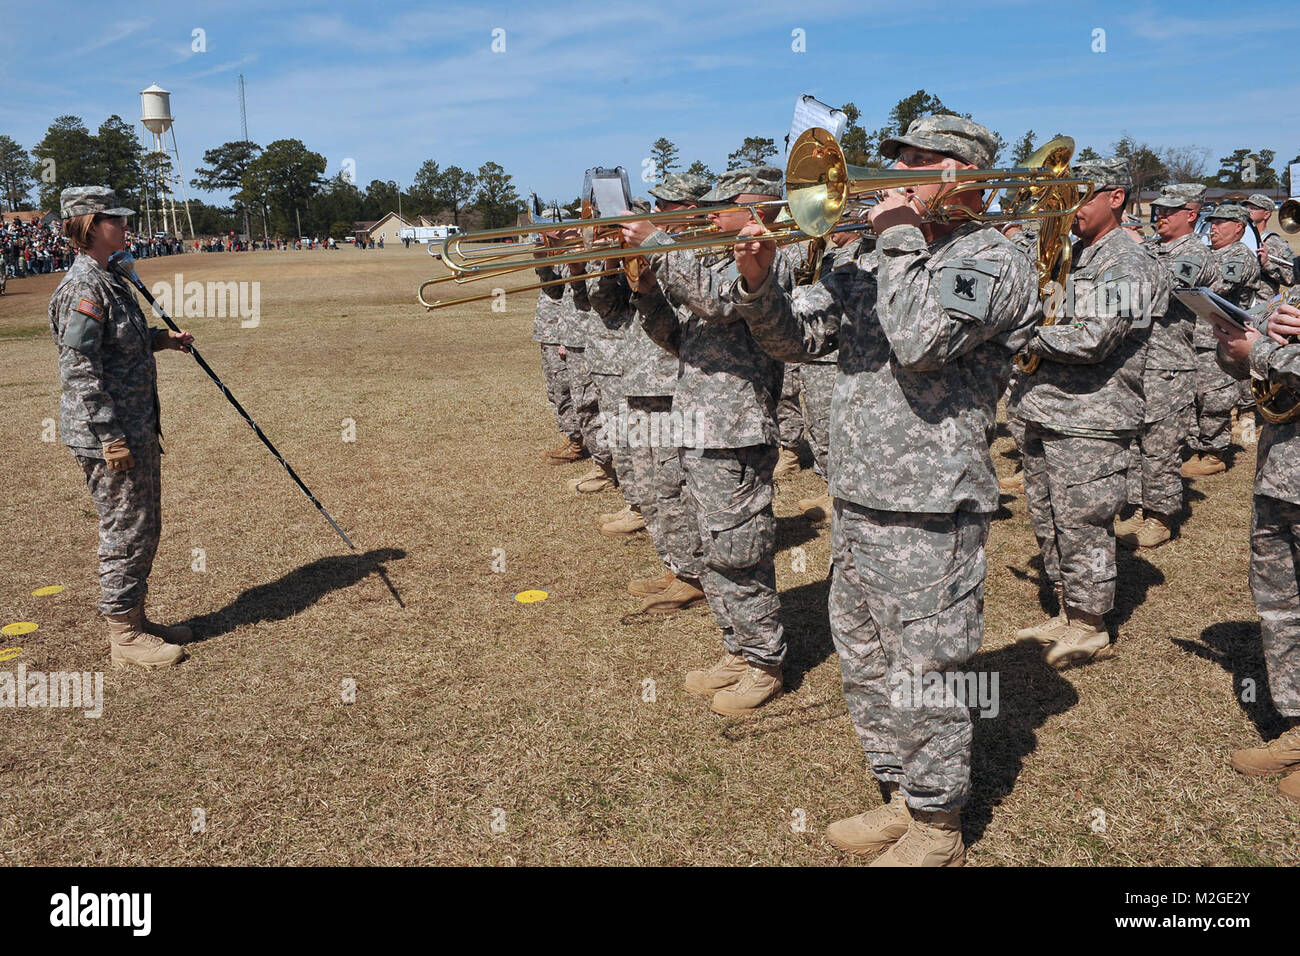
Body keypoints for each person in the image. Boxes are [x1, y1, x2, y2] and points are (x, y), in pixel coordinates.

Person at [731, 116, 1040, 865]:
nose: (897, 170)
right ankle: (900, 793)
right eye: (896, 156)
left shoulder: (989, 260)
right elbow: (794, 343)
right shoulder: (871, 259)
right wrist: (757, 279)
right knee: (866, 658)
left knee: (929, 670)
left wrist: (899, 235)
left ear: (968, 175)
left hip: (934, 504)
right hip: (860, 494)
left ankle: (939, 825)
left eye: (919, 161)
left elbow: (922, 341)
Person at [621, 166, 797, 715]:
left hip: (737, 429)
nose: (712, 212)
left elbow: (719, 305)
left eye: (727, 203)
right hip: (698, 423)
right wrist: (649, 295)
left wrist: (659, 244)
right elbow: (678, 338)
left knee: (740, 550)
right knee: (713, 548)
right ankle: (738, 649)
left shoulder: (770, 264)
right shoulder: (717, 261)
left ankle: (765, 662)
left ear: (761, 211)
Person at [1009, 158, 1159, 668]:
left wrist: (1018, 333)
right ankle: (1067, 607)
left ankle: (1091, 624)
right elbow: (1050, 312)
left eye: (1080, 198)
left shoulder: (1127, 262)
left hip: (1093, 415)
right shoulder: (1074, 255)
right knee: (1049, 517)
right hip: (1046, 406)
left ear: (1115, 198)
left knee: (1084, 524)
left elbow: (1095, 338)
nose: (1069, 210)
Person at [48, 187, 195, 669]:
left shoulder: (111, 278)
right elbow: (80, 371)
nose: (125, 225)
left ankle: (135, 617)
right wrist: (110, 436)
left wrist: (162, 340)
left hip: (134, 426)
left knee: (143, 524)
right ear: (90, 225)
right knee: (125, 529)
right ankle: (124, 635)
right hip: (110, 435)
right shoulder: (84, 288)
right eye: (116, 218)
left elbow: (118, 344)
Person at [1212, 289, 1300, 805]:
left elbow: (1265, 357)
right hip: (1281, 474)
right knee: (1281, 608)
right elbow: (1251, 370)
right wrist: (1235, 347)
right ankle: (1297, 726)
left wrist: (1260, 351)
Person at [617, 173, 713, 613]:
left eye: (667, 207)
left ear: (693, 209)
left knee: (675, 484)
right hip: (642, 379)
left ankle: (692, 572)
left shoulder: (700, 253)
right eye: (655, 205)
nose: (656, 214)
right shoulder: (663, 248)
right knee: (653, 482)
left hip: (673, 382)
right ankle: (675, 563)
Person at [1116, 183, 1205, 548]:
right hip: (1139, 360)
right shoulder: (1151, 248)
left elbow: (1168, 287)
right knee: (1136, 441)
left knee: (1161, 446)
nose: (1160, 216)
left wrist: (1134, 249)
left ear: (1191, 214)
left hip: (1170, 365)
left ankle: (1161, 516)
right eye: (1159, 210)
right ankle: (1139, 507)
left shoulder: (1196, 253)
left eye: (1170, 211)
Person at [1184, 204, 1261, 477]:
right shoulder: (1210, 253)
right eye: (1212, 222)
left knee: (1214, 397)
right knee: (1195, 395)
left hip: (1220, 339)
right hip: (1199, 337)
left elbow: (1218, 287)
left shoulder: (1238, 256)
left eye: (1222, 223)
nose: (1213, 227)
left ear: (1239, 227)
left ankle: (1214, 453)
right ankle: (1198, 448)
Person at [1242, 193, 1294, 306]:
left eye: (1253, 208)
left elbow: (1292, 277)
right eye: (1246, 207)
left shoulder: (1275, 242)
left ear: (1266, 215)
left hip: (1261, 306)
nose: (1248, 210)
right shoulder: (1237, 237)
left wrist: (1267, 264)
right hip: (1238, 303)